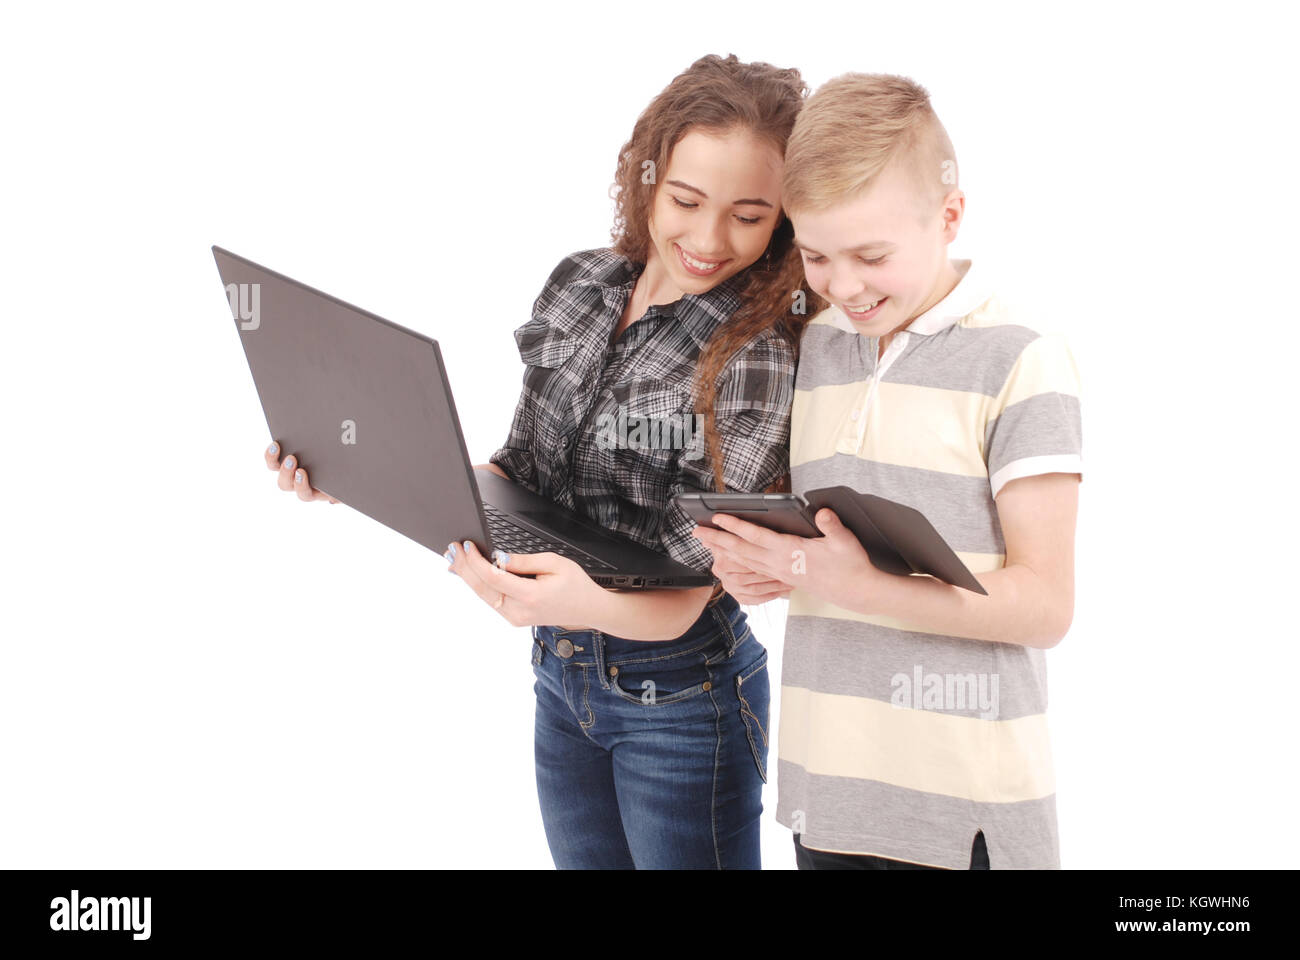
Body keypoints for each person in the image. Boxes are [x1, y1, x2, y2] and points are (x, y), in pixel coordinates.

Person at [268, 54, 815, 869]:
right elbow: (518, 473)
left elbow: (691, 591)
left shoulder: (756, 351)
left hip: (681, 697)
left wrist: (582, 601)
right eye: (686, 201)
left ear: (785, 219)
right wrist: (363, 467)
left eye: (748, 214)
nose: (706, 239)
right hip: (561, 677)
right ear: (649, 175)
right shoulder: (582, 281)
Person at [693, 73, 1083, 870]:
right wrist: (757, 567)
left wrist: (859, 586)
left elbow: (1046, 606)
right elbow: (815, 549)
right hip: (827, 799)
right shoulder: (816, 346)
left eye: (872, 255)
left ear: (949, 217)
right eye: (816, 256)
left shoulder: (1020, 361)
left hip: (961, 819)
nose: (844, 285)